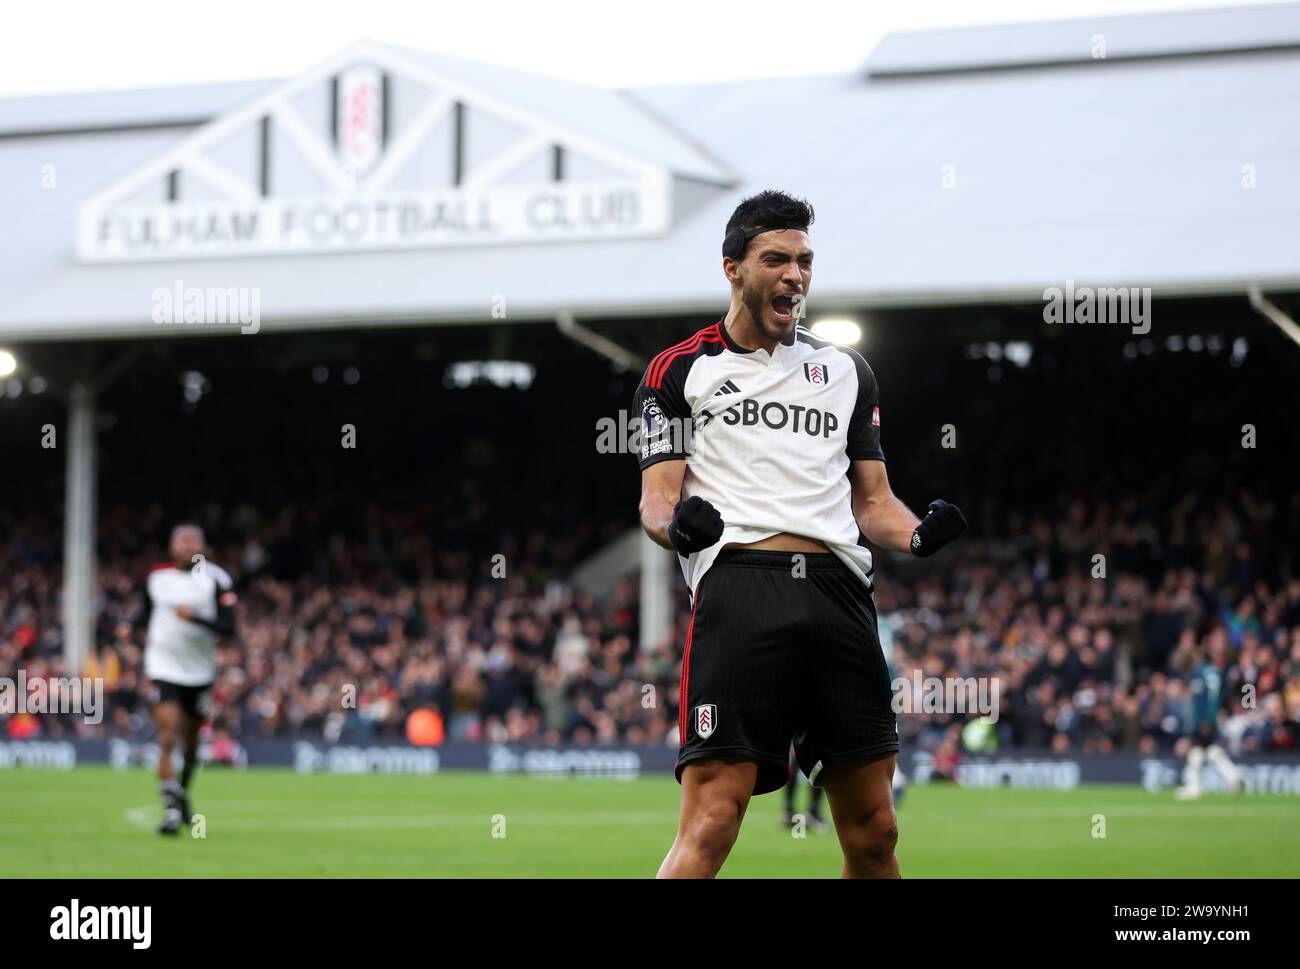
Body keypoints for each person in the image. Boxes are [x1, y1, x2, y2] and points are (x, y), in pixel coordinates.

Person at [634, 190, 965, 877]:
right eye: (777, 259)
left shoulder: (846, 371)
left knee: (875, 832)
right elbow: (656, 503)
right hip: (741, 592)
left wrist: (919, 535)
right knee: (715, 819)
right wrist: (682, 526)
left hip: (840, 598)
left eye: (805, 260)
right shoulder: (678, 370)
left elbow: (875, 505)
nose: (796, 275)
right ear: (733, 269)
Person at [140, 524, 237, 834]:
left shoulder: (216, 580)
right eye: (181, 542)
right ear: (171, 547)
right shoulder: (156, 578)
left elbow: (229, 628)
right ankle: (170, 811)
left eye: (192, 541)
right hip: (163, 668)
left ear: (203, 546)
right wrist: (129, 627)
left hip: (199, 673)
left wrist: (194, 618)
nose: (186, 547)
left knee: (192, 745)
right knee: (167, 735)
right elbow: (144, 614)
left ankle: (182, 792)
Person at [1176, 635, 1243, 799]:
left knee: (1195, 751)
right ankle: (1233, 776)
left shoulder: (1201, 673)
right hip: (1211, 718)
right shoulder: (1214, 672)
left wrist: (1205, 720)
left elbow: (1206, 700)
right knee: (1210, 751)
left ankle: (1194, 786)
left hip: (1204, 719)